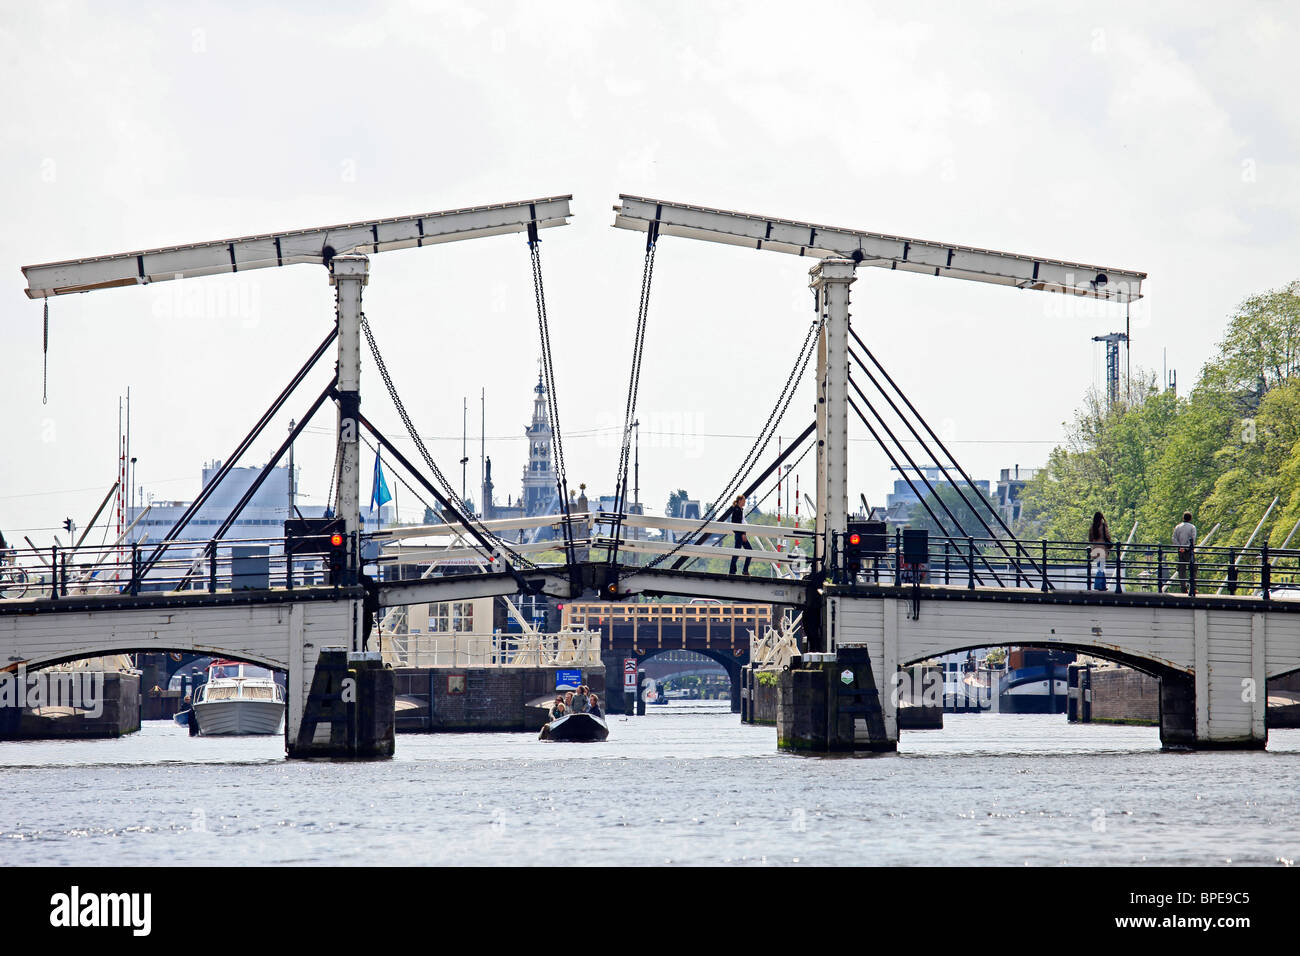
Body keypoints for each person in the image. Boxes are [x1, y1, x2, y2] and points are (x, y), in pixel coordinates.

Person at [726, 494, 754, 575]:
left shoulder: (739, 510)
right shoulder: (737, 510)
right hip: (740, 535)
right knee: (744, 552)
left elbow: (739, 523)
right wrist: (742, 534)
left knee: (740, 552)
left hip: (740, 534)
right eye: (744, 500)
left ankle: (738, 571)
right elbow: (737, 524)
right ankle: (735, 571)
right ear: (740, 501)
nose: (745, 502)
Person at [1088, 512, 1113, 591]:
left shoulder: (1092, 527)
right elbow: (1108, 536)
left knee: (1101, 567)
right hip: (1102, 549)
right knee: (1100, 568)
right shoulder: (1103, 527)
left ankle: (1103, 586)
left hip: (1095, 549)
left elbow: (1090, 539)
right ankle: (1098, 585)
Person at [1172, 512, 1197, 593]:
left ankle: (1183, 587)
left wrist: (1180, 547)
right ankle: (1192, 587)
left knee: (1182, 569)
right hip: (1189, 551)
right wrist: (1186, 547)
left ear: (1183, 518)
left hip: (1180, 551)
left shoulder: (1178, 527)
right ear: (1190, 518)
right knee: (1193, 567)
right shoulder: (1192, 527)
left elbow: (1174, 538)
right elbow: (1193, 539)